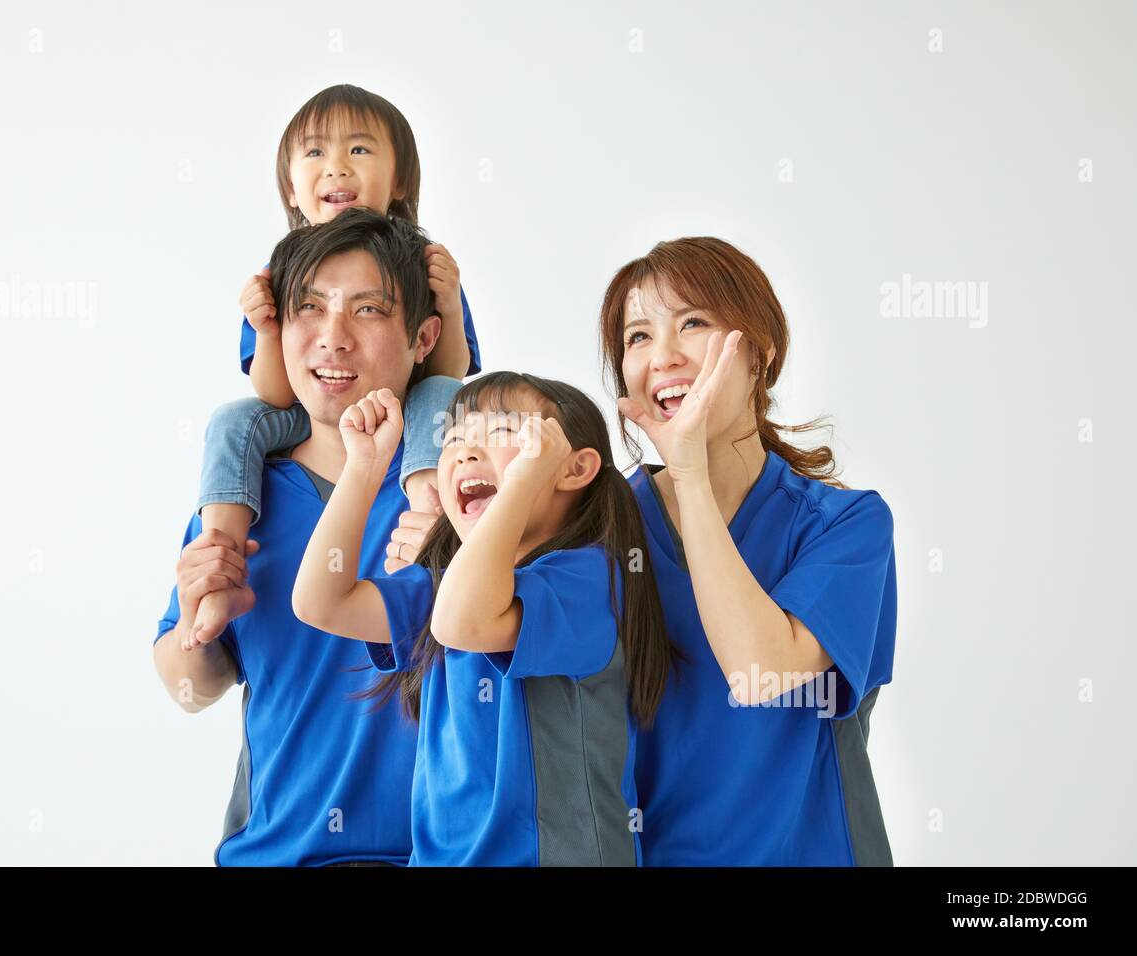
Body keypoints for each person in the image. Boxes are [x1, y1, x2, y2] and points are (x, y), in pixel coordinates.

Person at [153, 208, 445, 865]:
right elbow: (192, 691)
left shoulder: (451, 498)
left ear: (424, 337)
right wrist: (195, 632)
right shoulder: (238, 501)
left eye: (368, 310)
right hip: (273, 853)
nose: (332, 339)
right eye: (309, 308)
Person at [292, 373, 674, 865]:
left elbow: (461, 623)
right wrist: (364, 468)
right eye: (453, 439)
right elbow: (321, 602)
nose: (466, 452)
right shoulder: (449, 585)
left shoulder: (587, 581)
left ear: (575, 469)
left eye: (501, 432)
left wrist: (522, 481)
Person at [600, 236, 898, 865]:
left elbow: (760, 673)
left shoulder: (846, 526)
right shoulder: (599, 526)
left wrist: (690, 478)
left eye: (693, 323)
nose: (664, 355)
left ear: (759, 353)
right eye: (638, 337)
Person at [190, 83, 483, 647]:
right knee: (234, 419)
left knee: (437, 394)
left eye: (360, 151)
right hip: (315, 416)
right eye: (316, 154)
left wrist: (446, 301)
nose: (337, 169)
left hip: (406, 415)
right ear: (291, 188)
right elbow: (277, 396)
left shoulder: (424, 264)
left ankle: (427, 513)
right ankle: (221, 559)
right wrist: (270, 327)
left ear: (399, 183)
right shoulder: (279, 273)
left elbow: (447, 371)